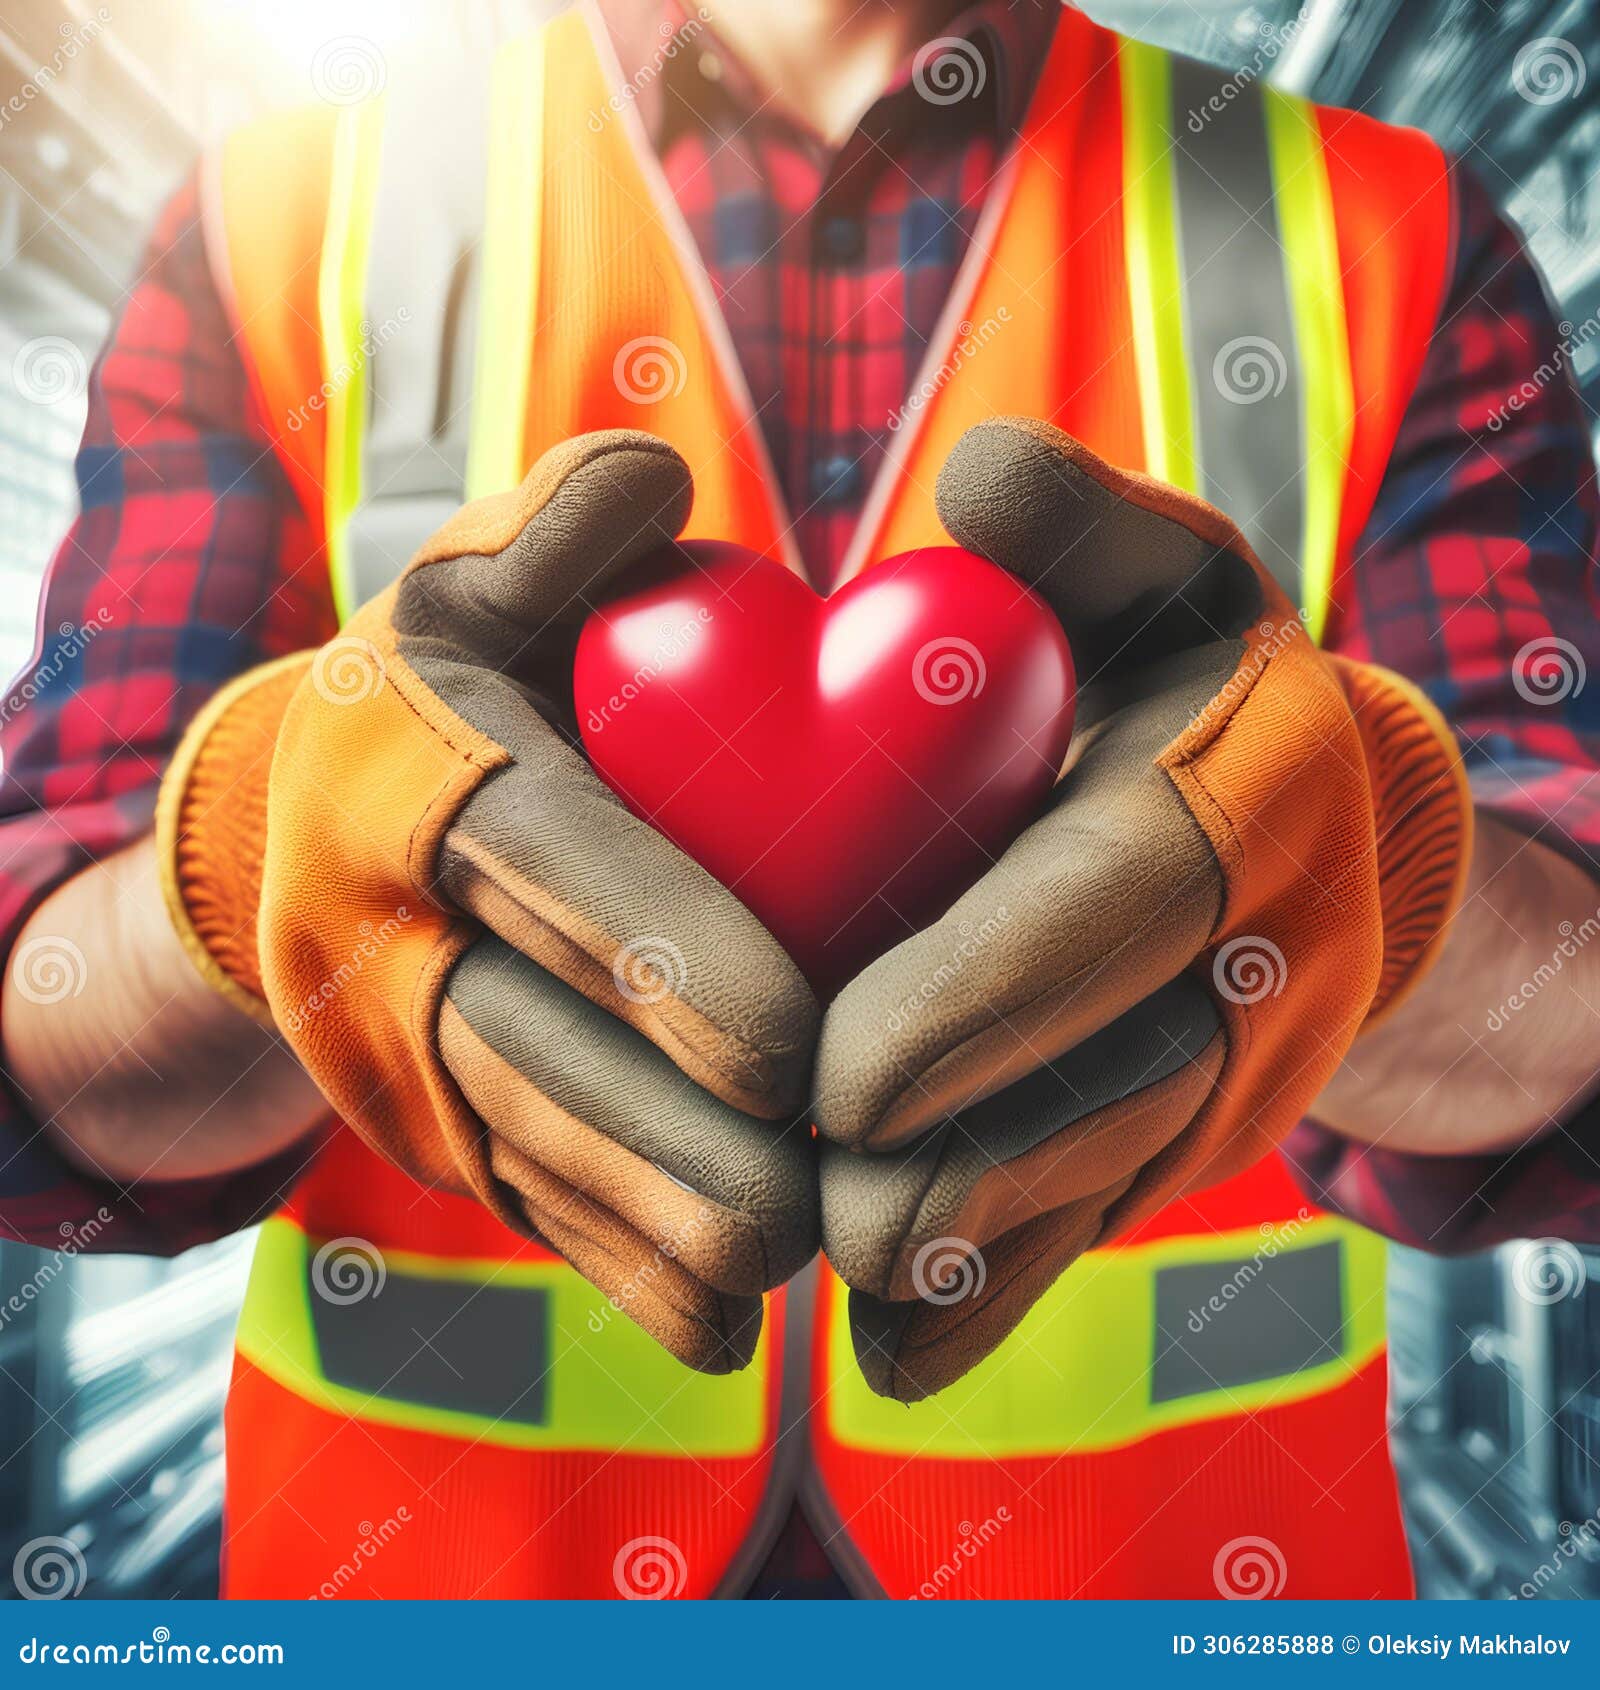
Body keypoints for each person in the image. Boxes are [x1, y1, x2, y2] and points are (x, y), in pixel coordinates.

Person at [2, 0, 1598, 1600]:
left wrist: (1377, 863)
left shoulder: (1380, 226)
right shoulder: (283, 223)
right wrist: (256, 848)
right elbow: (45, 1055)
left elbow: (1571, 1028)